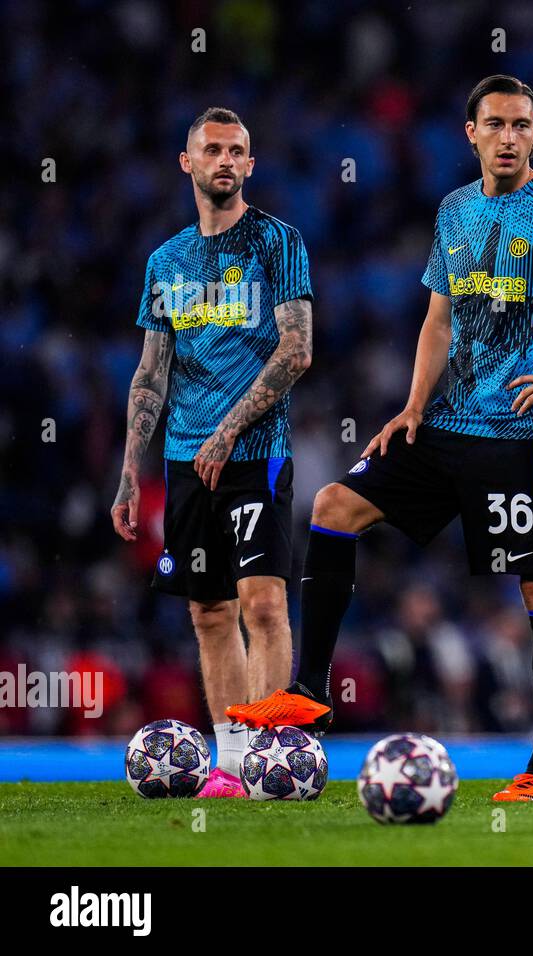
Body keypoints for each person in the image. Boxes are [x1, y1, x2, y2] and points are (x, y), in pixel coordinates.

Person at [229, 75, 533, 803]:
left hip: (526, 430)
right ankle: (309, 693)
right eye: (495, 124)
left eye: (521, 125)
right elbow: (438, 320)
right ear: (471, 133)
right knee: (334, 505)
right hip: (447, 424)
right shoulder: (454, 210)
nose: (508, 137)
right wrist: (412, 406)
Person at [111, 107, 313, 798]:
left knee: (264, 604)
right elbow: (150, 375)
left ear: (250, 165)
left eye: (236, 150)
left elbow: (297, 349)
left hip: (257, 453)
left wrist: (229, 430)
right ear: (188, 162)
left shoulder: (278, 242)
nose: (224, 160)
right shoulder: (165, 261)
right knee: (209, 612)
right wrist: (129, 474)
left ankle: (269, 756)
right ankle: (229, 766)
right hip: (184, 460)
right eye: (212, 149)